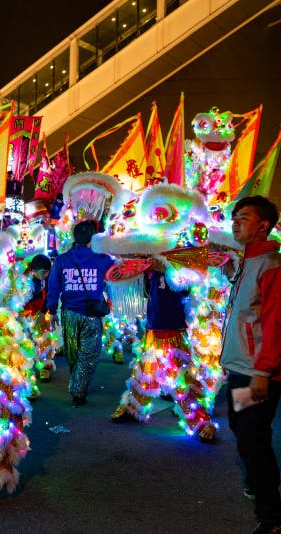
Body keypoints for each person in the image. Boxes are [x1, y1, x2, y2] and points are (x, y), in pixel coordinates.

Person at [219, 195, 281, 534]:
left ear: (263, 225)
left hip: (256, 373)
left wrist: (262, 373)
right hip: (241, 368)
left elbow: (274, 324)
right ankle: (261, 485)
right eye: (234, 217)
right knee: (244, 432)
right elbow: (248, 310)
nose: (235, 223)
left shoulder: (271, 264)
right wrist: (231, 273)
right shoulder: (249, 261)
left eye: (243, 217)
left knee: (253, 438)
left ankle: (271, 516)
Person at [110, 262, 217, 442]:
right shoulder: (150, 263)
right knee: (144, 375)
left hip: (174, 331)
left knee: (182, 381)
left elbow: (187, 288)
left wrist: (167, 268)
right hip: (152, 330)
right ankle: (134, 408)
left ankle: (202, 421)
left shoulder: (181, 262)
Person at [45, 219, 115, 406]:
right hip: (92, 314)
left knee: (72, 351)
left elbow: (53, 286)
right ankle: (78, 389)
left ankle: (77, 382)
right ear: (93, 238)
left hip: (69, 313)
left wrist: (52, 310)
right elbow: (116, 277)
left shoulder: (62, 259)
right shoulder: (104, 259)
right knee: (89, 354)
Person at [23, 254, 54, 382]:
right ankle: (26, 367)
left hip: (41, 307)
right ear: (34, 270)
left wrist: (43, 312)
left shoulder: (48, 277)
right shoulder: (23, 277)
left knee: (44, 337)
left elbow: (50, 294)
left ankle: (45, 366)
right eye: (43, 272)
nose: (46, 275)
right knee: (26, 339)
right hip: (25, 310)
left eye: (48, 272)